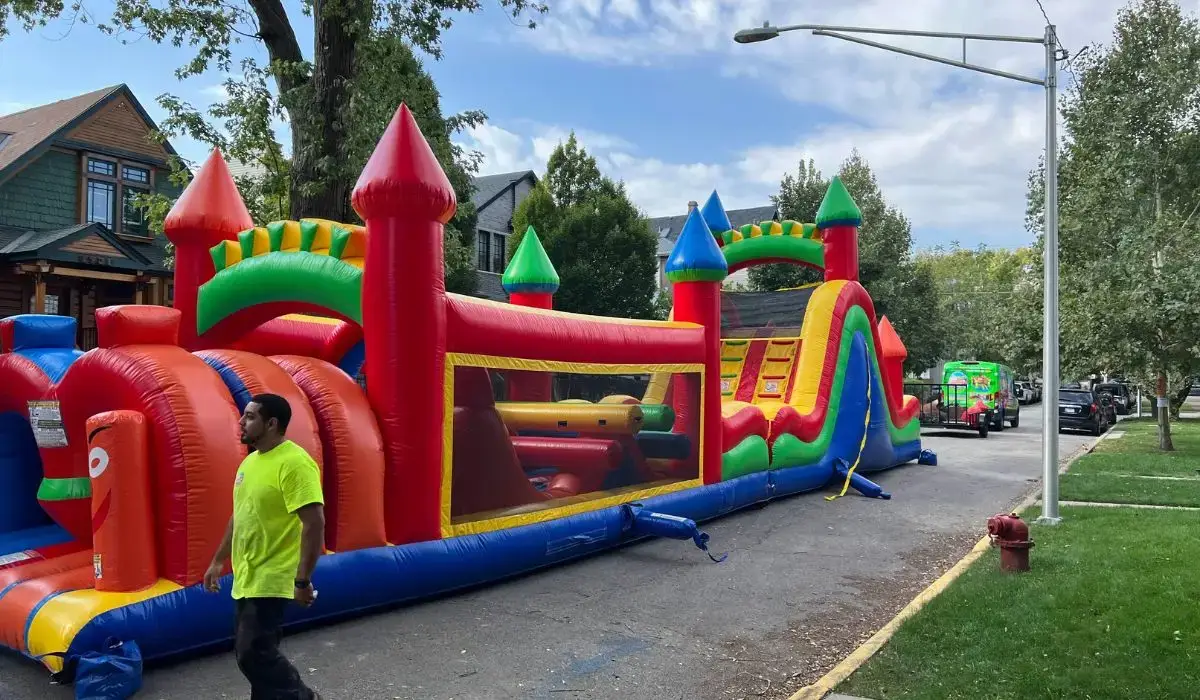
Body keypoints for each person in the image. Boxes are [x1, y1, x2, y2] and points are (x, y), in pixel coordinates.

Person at [204, 393, 326, 700]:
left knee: (252, 653)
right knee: (257, 654)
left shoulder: (295, 463)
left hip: (274, 575)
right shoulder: (250, 462)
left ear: (272, 423)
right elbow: (239, 515)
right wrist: (218, 561)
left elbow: (314, 523)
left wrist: (302, 580)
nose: (241, 422)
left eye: (250, 416)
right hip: (247, 575)